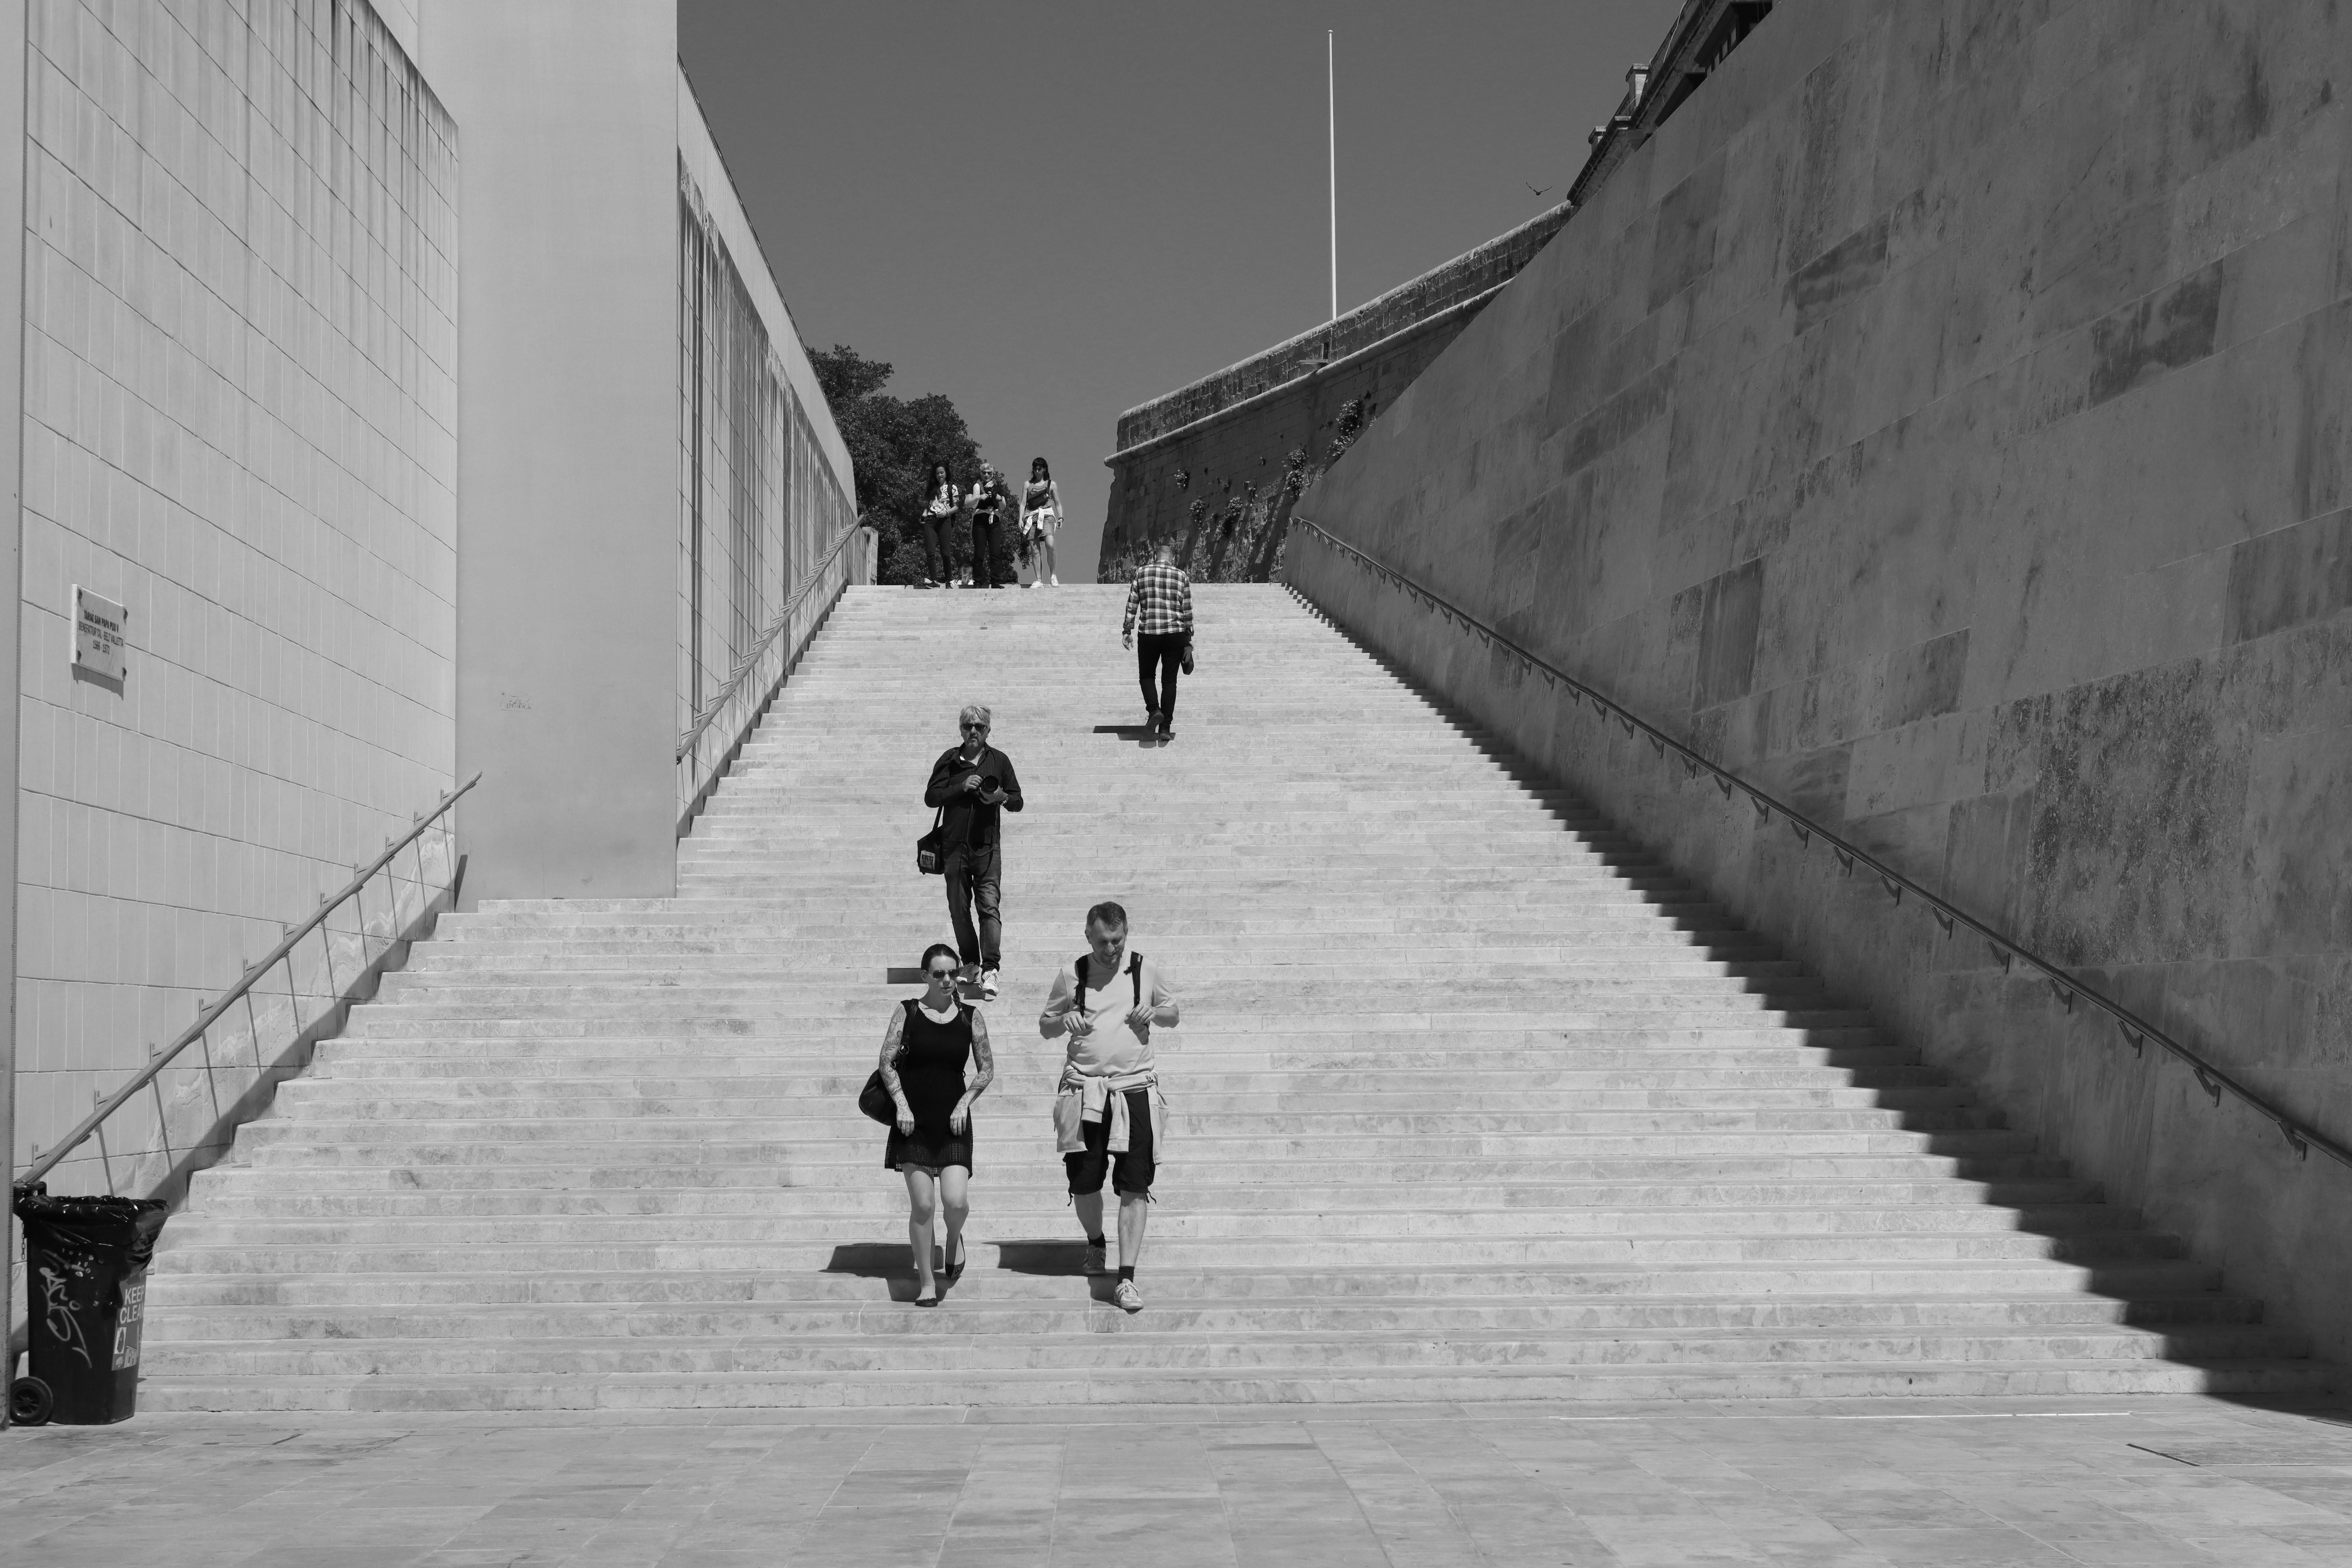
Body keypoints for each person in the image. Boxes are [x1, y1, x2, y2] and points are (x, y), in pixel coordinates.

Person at [1037, 902, 1178, 1313]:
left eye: (1118, 940)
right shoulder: (1071, 975)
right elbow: (1045, 1025)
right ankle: (1097, 1242)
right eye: (1103, 941)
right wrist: (1064, 1020)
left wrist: (1156, 1011)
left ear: (1127, 933)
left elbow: (1173, 1015)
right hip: (1085, 1091)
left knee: (1136, 1184)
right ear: (1087, 935)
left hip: (1135, 1090)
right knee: (1084, 1183)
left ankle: (1126, 1278)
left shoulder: (1145, 970)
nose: (1111, 949)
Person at [879, 942, 994, 1306]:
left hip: (953, 1122)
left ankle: (955, 1237)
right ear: (925, 976)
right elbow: (886, 1062)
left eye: (952, 973)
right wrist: (901, 1105)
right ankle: (928, 1282)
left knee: (956, 1202)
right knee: (924, 1206)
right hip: (913, 1122)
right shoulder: (907, 1012)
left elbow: (987, 1068)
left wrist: (965, 1102)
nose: (947, 980)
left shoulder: (970, 1016)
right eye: (939, 973)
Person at [923, 704, 1023, 998]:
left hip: (987, 849)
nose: (974, 731)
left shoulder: (999, 761)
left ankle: (991, 968)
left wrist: (1000, 796)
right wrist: (961, 787)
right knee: (958, 910)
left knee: (989, 908)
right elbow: (931, 797)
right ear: (961, 730)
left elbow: (1017, 801)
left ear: (989, 730)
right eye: (969, 726)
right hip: (954, 848)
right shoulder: (949, 761)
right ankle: (970, 964)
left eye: (980, 726)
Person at [1121, 540, 1195, 741]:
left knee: (1146, 676)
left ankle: (1154, 710)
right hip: (1175, 634)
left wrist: (1127, 630)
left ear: (1156, 557)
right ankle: (1165, 729)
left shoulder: (1141, 573)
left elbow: (1132, 604)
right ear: (1172, 559)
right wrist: (1189, 637)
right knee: (1170, 682)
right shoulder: (1182, 577)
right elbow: (1187, 610)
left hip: (1149, 633)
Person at [968, 462, 1012, 588]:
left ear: (993, 474)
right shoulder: (975, 486)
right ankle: (978, 581)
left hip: (994, 522)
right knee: (979, 553)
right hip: (980, 522)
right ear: (980, 473)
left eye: (989, 473)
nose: (987, 475)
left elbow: (1003, 507)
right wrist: (978, 498)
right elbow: (967, 504)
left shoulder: (998, 488)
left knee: (995, 553)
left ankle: (996, 581)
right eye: (984, 473)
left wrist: (998, 497)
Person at [1021, 457, 1063, 587]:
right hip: (1031, 517)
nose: (1037, 471)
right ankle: (1039, 579)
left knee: (1050, 545)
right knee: (1035, 549)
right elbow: (1023, 504)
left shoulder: (1052, 484)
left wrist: (1061, 517)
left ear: (1045, 469)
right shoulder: (1028, 485)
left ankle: (1053, 575)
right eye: (1035, 469)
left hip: (1047, 516)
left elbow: (1058, 503)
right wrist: (1020, 519)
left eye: (1040, 469)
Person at [917, 462, 960, 588]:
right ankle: (934, 581)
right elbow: (928, 506)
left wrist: (946, 513)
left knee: (945, 553)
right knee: (931, 552)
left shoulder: (952, 488)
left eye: (942, 473)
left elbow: (956, 507)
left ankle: (948, 582)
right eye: (937, 473)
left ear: (946, 473)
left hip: (944, 520)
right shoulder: (932, 489)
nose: (940, 475)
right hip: (931, 521)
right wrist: (924, 514)